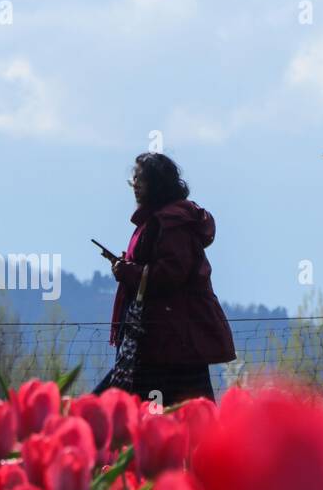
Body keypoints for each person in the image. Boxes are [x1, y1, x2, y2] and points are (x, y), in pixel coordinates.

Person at [96, 152, 236, 404]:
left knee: (118, 405)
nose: (135, 185)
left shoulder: (171, 222)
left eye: (141, 179)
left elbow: (172, 274)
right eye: (134, 179)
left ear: (157, 184)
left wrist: (127, 271)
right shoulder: (159, 220)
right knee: (188, 413)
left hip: (167, 341)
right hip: (166, 341)